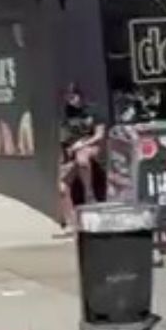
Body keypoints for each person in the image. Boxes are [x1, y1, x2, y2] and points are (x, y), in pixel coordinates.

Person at [56, 83, 106, 234]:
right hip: (73, 153)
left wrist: (82, 144)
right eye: (68, 98)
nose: (71, 101)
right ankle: (71, 224)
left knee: (82, 157)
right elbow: (64, 142)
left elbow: (99, 135)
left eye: (73, 97)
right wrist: (63, 161)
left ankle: (89, 194)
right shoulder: (67, 114)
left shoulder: (93, 110)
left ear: (80, 96)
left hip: (92, 147)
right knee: (62, 188)